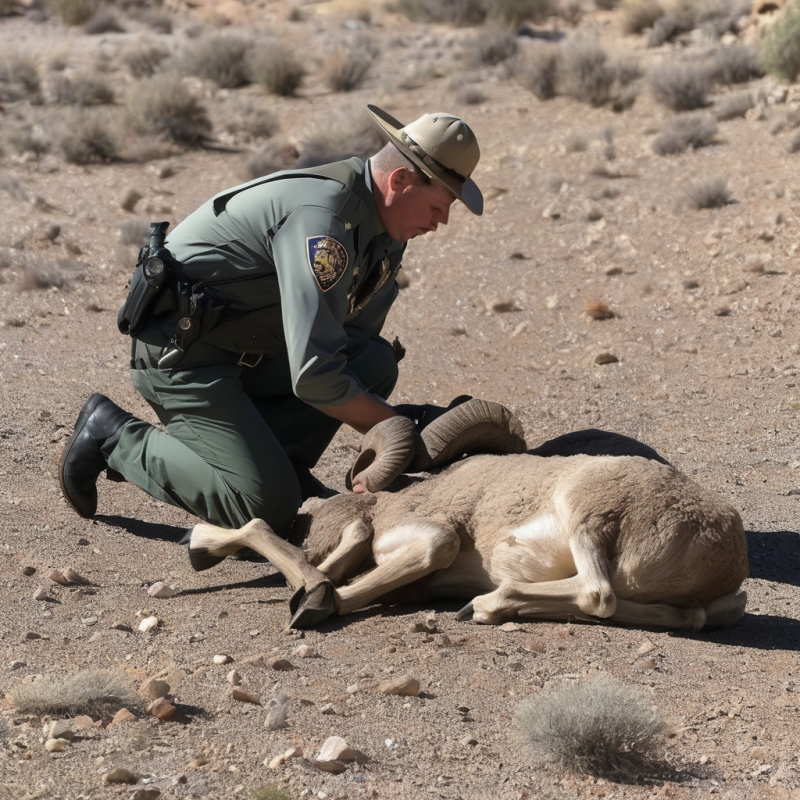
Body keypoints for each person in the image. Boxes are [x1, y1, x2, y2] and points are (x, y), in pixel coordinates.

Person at [59, 104, 483, 534]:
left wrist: (394, 420)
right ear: (400, 181)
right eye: (439, 206)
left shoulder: (384, 226)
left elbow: (346, 341)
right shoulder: (325, 220)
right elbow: (317, 376)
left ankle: (280, 464)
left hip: (249, 350)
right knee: (266, 510)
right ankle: (113, 436)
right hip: (182, 355)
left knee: (373, 362)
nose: (441, 222)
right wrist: (399, 428)